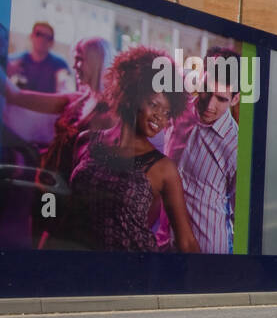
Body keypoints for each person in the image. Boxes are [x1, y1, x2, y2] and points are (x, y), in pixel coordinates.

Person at [65, 47, 199, 253]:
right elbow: (67, 209)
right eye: (154, 104)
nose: (159, 117)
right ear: (131, 95)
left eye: (167, 112)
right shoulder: (86, 141)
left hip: (134, 274)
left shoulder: (163, 169)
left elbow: (187, 242)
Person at [29, 38, 116, 248]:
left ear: (97, 61)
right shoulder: (79, 98)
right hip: (47, 191)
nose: (74, 66)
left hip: (69, 203)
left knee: (47, 251)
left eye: (80, 60)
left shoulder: (110, 113)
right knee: (37, 247)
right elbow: (18, 96)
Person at [156, 46, 241, 253]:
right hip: (162, 245)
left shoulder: (236, 146)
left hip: (206, 256)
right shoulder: (177, 110)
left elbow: (240, 217)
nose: (209, 105)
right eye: (206, 90)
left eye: (221, 99)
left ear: (235, 99)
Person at [7, 22, 72, 94]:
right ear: (31, 36)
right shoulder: (15, 59)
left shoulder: (59, 64)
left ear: (52, 42)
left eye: (48, 37)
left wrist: (63, 85)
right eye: (38, 34)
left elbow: (65, 84)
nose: (42, 39)